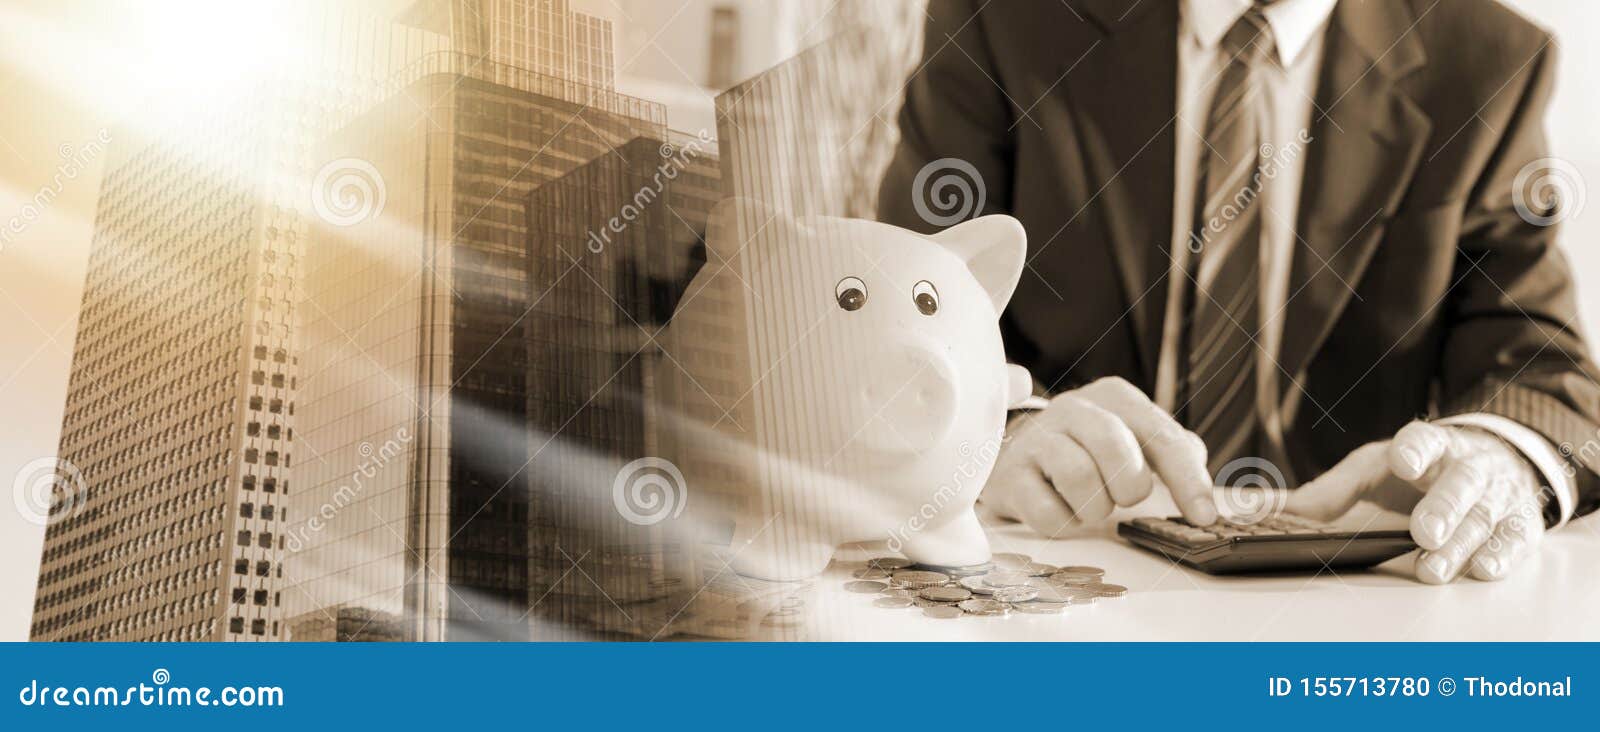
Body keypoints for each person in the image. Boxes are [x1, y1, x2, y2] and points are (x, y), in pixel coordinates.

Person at [878, 0, 1600, 583]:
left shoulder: (1485, 58)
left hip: (1346, 597)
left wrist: (1494, 459)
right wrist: (1001, 433)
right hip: (1061, 567)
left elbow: (1544, 373)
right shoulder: (1004, 18)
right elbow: (892, 314)